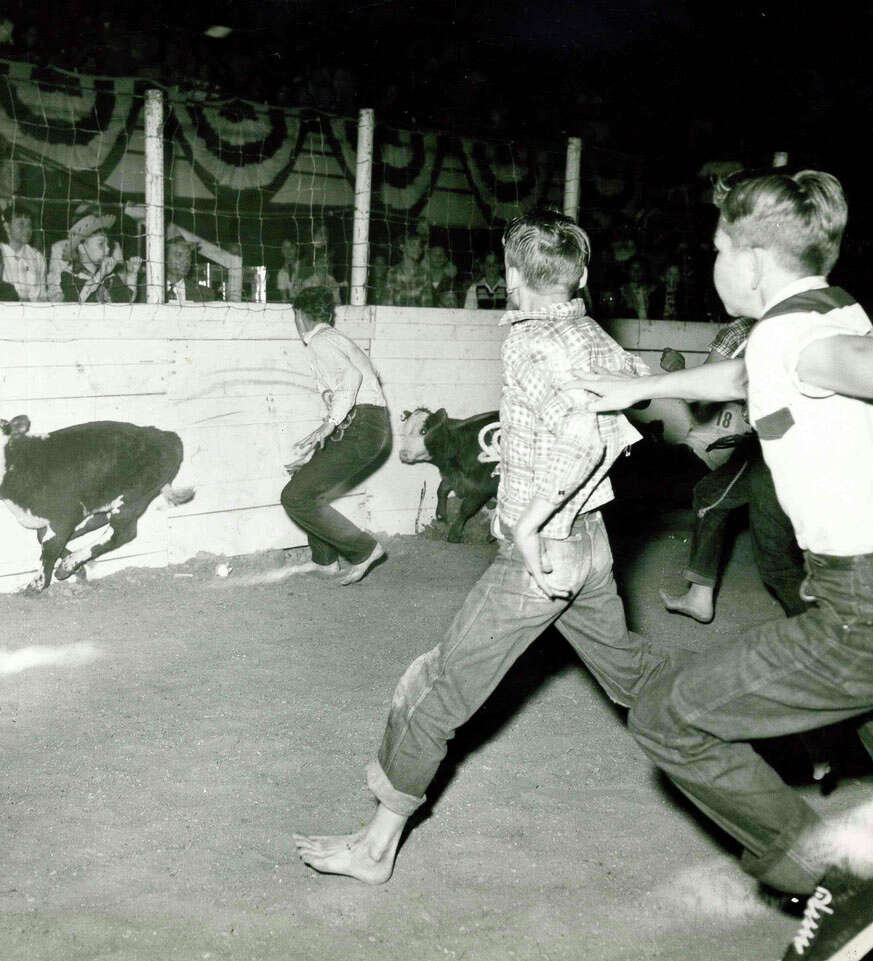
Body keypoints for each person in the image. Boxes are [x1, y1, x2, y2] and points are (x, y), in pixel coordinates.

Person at [568, 170, 873, 961]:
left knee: (667, 716)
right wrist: (638, 386)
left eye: (719, 249)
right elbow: (747, 374)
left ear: (751, 260)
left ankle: (840, 886)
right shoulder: (828, 309)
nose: (714, 262)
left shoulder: (792, 337)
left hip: (871, 610)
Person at [294, 210, 667, 884]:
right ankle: (757, 726)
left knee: (434, 687)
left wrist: (529, 523)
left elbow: (583, 439)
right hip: (592, 546)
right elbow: (632, 383)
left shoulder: (529, 342)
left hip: (541, 555)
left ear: (512, 276)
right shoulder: (586, 330)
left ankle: (375, 849)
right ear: (581, 274)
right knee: (633, 676)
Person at [659, 317, 807, 624]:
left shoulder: (742, 330)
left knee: (776, 556)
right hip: (788, 438)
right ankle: (699, 597)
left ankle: (823, 633)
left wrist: (676, 369)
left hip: (781, 442)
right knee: (710, 495)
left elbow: (698, 392)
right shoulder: (795, 321)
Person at [280, 285, 389, 585]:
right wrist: (324, 440)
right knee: (302, 486)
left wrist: (329, 424)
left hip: (361, 426)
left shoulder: (321, 342)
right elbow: (357, 385)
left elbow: (353, 378)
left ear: (299, 315)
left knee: (295, 497)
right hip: (364, 425)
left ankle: (364, 549)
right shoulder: (334, 340)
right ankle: (325, 561)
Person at [59, 212, 140, 304]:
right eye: (101, 244)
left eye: (107, 244)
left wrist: (132, 275)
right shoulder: (69, 275)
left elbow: (127, 300)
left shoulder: (109, 275)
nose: (108, 249)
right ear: (82, 248)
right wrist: (100, 275)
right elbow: (77, 301)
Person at [0, 202, 47, 301]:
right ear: (7, 227)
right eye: (21, 224)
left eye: (29, 225)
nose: (27, 229)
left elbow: (42, 295)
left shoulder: (37, 257)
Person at [163, 235, 216, 303]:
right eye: (178, 255)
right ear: (164, 257)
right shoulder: (150, 290)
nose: (186, 261)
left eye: (188, 256)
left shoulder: (205, 294)